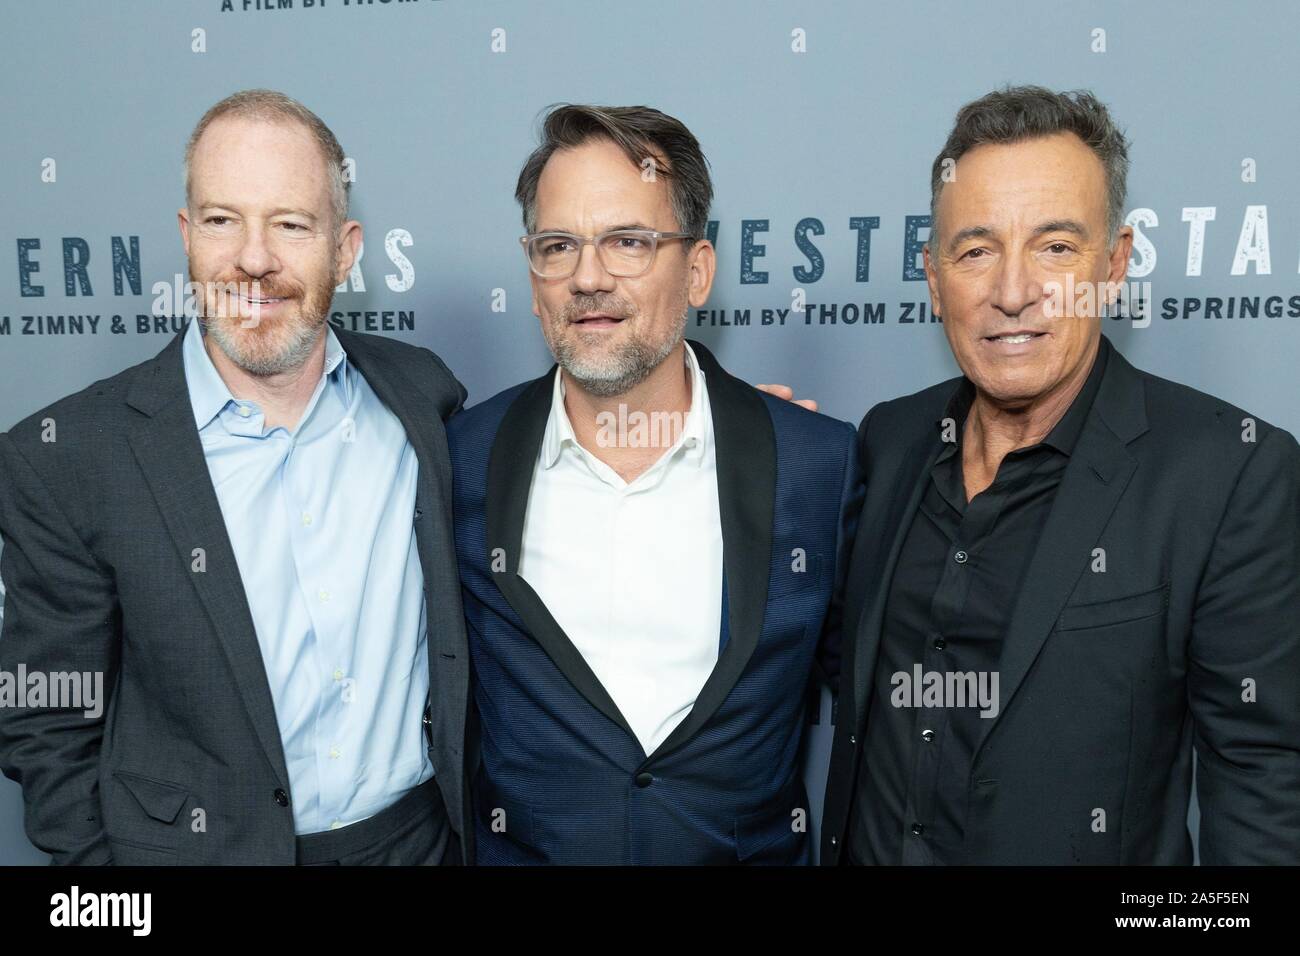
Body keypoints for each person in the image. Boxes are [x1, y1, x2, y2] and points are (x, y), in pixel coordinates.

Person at [821, 86, 1300, 865]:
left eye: (1055, 247)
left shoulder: (1229, 471)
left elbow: (1267, 780)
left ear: (1114, 264)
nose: (1013, 293)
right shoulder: (890, 439)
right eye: (975, 250)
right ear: (934, 276)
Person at [0, 90, 471, 865]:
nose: (254, 259)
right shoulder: (67, 457)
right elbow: (50, 722)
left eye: (291, 223)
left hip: (416, 847)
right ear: (187, 235)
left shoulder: (422, 398)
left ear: (346, 249)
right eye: (223, 220)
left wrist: (727, 417)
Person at [447, 104, 862, 864]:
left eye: (629, 243)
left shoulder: (817, 467)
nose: (588, 277)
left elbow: (884, 726)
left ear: (698, 270)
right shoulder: (458, 462)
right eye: (557, 245)